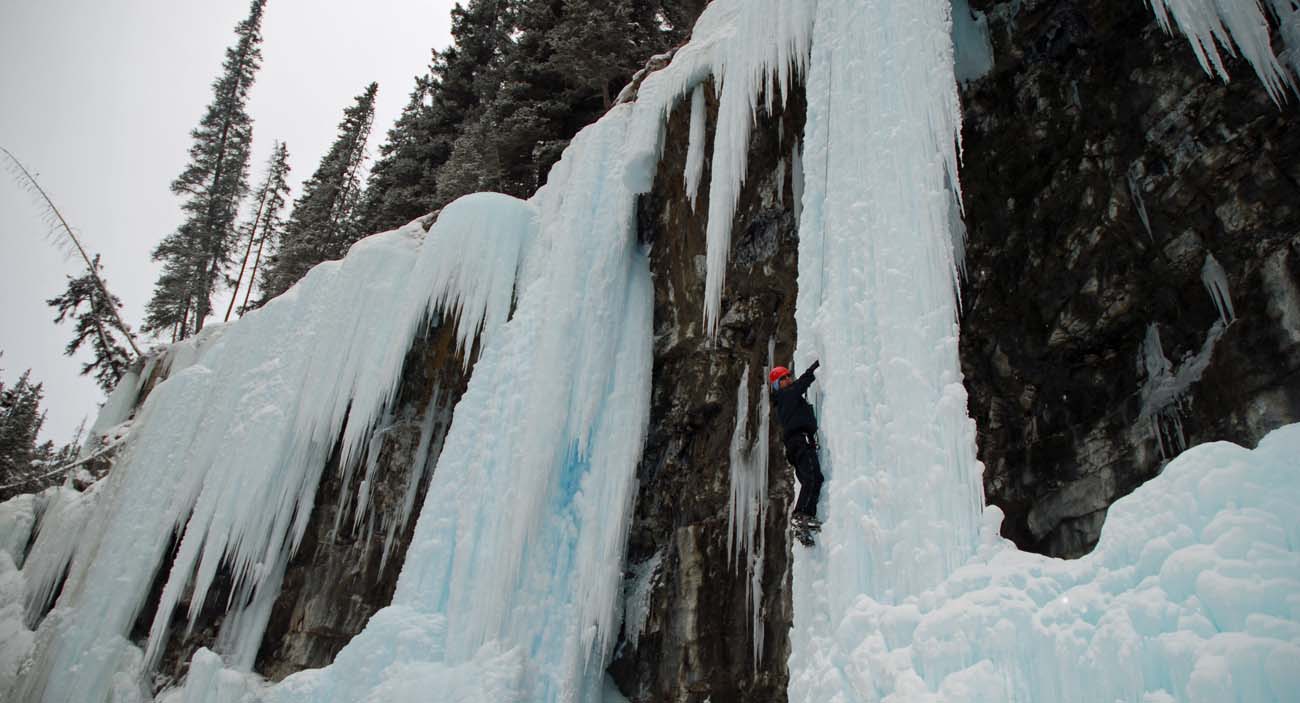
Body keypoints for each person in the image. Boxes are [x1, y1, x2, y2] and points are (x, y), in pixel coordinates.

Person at [770, 360, 823, 536]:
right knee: (813, 478)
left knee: (814, 479)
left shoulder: (785, 399)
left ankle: (805, 523)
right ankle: (801, 516)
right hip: (800, 442)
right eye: (783, 378)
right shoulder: (786, 395)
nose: (788, 379)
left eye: (788, 376)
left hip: (797, 444)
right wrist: (815, 366)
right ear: (778, 385)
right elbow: (802, 383)